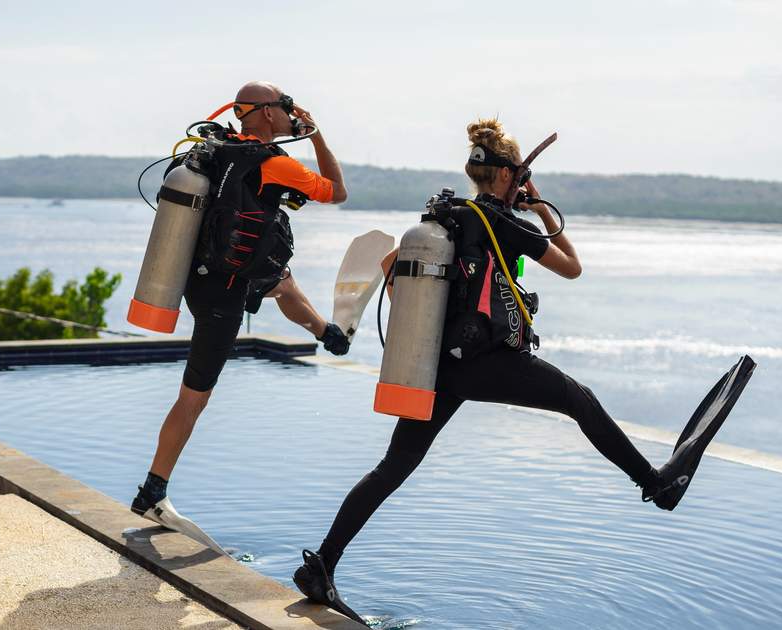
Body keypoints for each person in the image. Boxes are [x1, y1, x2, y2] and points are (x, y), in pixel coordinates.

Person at [291, 118, 744, 618]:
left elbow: (392, 271)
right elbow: (572, 267)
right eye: (520, 177)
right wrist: (541, 207)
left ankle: (323, 565)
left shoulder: (443, 217)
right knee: (579, 398)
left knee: (392, 467)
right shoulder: (506, 225)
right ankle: (655, 484)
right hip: (488, 360)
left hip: (437, 364)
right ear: (509, 176)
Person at [131, 82, 349, 524]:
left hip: (201, 274)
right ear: (268, 114)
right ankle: (152, 491)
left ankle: (327, 333)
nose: (292, 114)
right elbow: (337, 191)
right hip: (223, 293)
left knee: (283, 283)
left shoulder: (217, 149)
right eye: (287, 107)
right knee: (194, 397)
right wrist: (316, 135)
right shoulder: (273, 163)